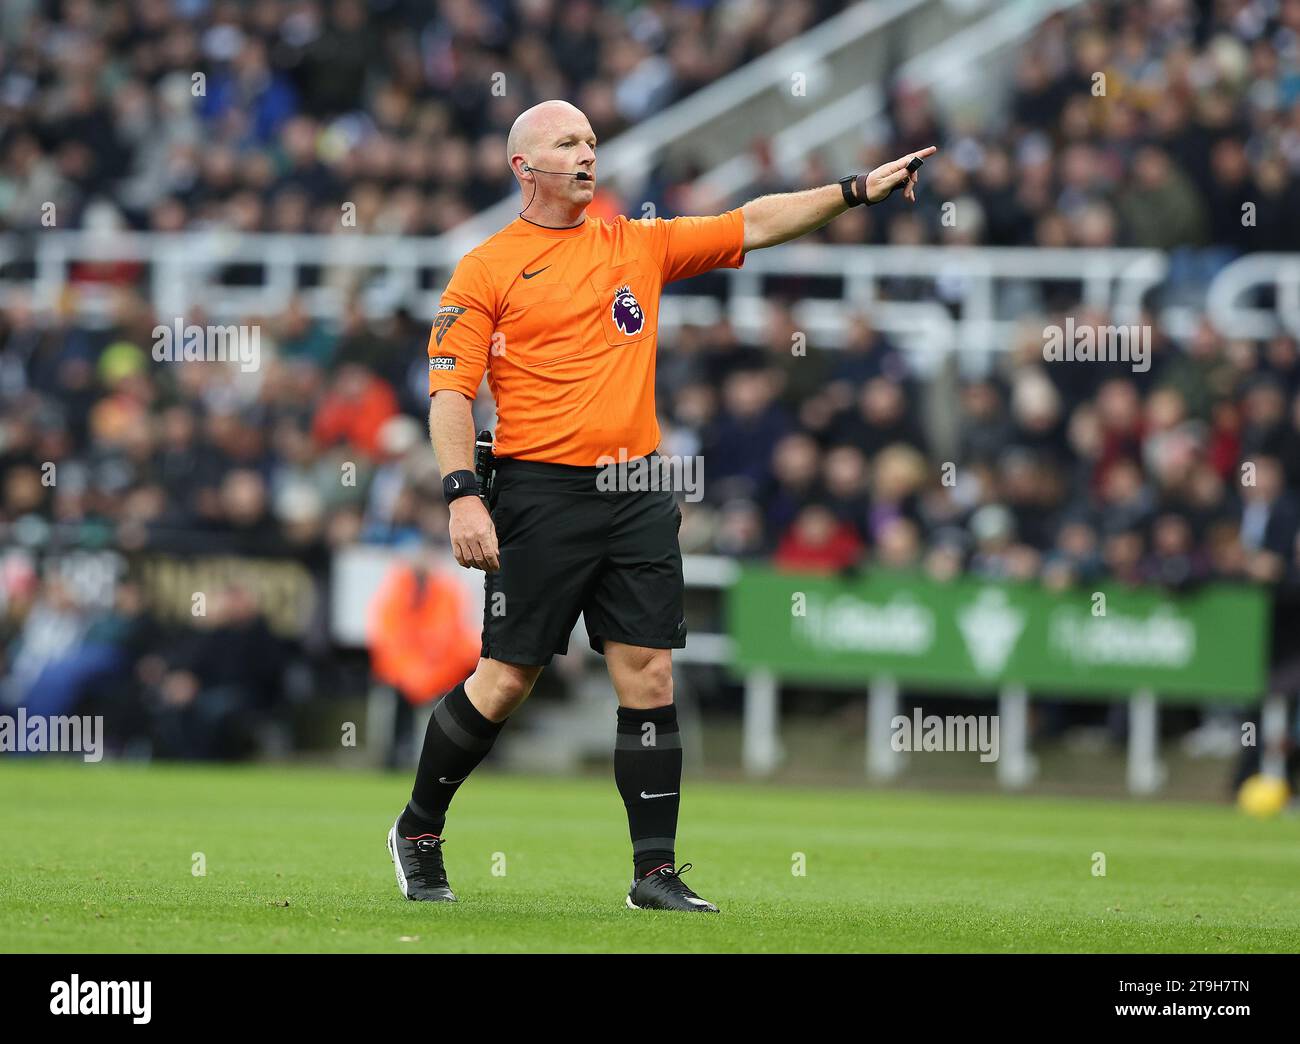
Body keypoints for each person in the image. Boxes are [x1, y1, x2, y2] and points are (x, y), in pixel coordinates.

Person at [387, 99, 934, 912]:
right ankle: (419, 828)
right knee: (505, 681)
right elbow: (450, 397)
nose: (586, 153)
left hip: (637, 487)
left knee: (648, 674)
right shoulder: (487, 268)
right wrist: (463, 495)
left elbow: (752, 223)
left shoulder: (633, 242)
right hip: (538, 490)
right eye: (566, 142)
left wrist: (852, 190)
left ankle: (654, 873)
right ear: (522, 166)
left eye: (591, 141)